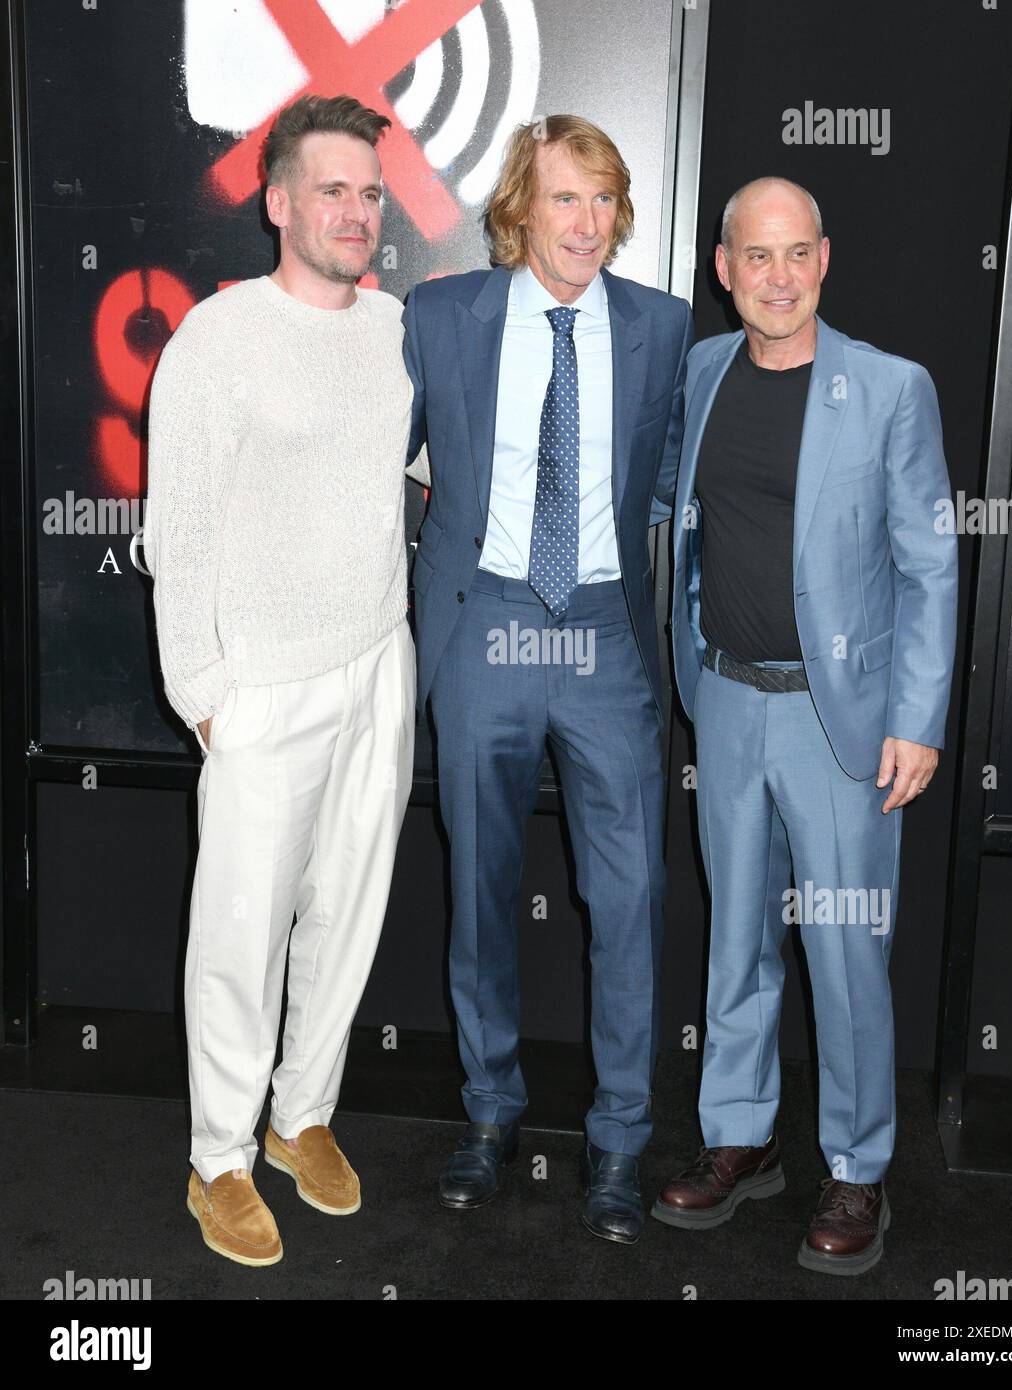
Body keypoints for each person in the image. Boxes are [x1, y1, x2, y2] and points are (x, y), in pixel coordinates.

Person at [655, 177, 957, 1275]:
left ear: (822, 260)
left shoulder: (889, 389)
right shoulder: (701, 370)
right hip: (728, 703)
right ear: (723, 269)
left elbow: (930, 562)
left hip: (846, 727)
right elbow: (679, 526)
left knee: (843, 953)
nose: (777, 278)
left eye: (797, 255)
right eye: (755, 258)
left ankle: (858, 1163)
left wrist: (918, 719)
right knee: (735, 937)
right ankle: (741, 1134)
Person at [402, 115, 693, 1243]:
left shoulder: (663, 327)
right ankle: (489, 1115)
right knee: (481, 886)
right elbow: (389, 452)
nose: (587, 223)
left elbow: (665, 463)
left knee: (629, 898)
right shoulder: (438, 318)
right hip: (488, 622)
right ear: (521, 208)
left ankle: (619, 1140)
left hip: (606, 637)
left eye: (605, 200)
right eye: (567, 199)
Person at [143, 95, 416, 1267]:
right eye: (333, 190)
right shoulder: (217, 338)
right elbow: (180, 529)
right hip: (260, 686)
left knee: (347, 915)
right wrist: (204, 690)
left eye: (369, 191)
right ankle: (218, 1157)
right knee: (242, 935)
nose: (356, 211)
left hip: (378, 664)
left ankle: (301, 1113)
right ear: (279, 202)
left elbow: (424, 467)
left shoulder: (400, 329)